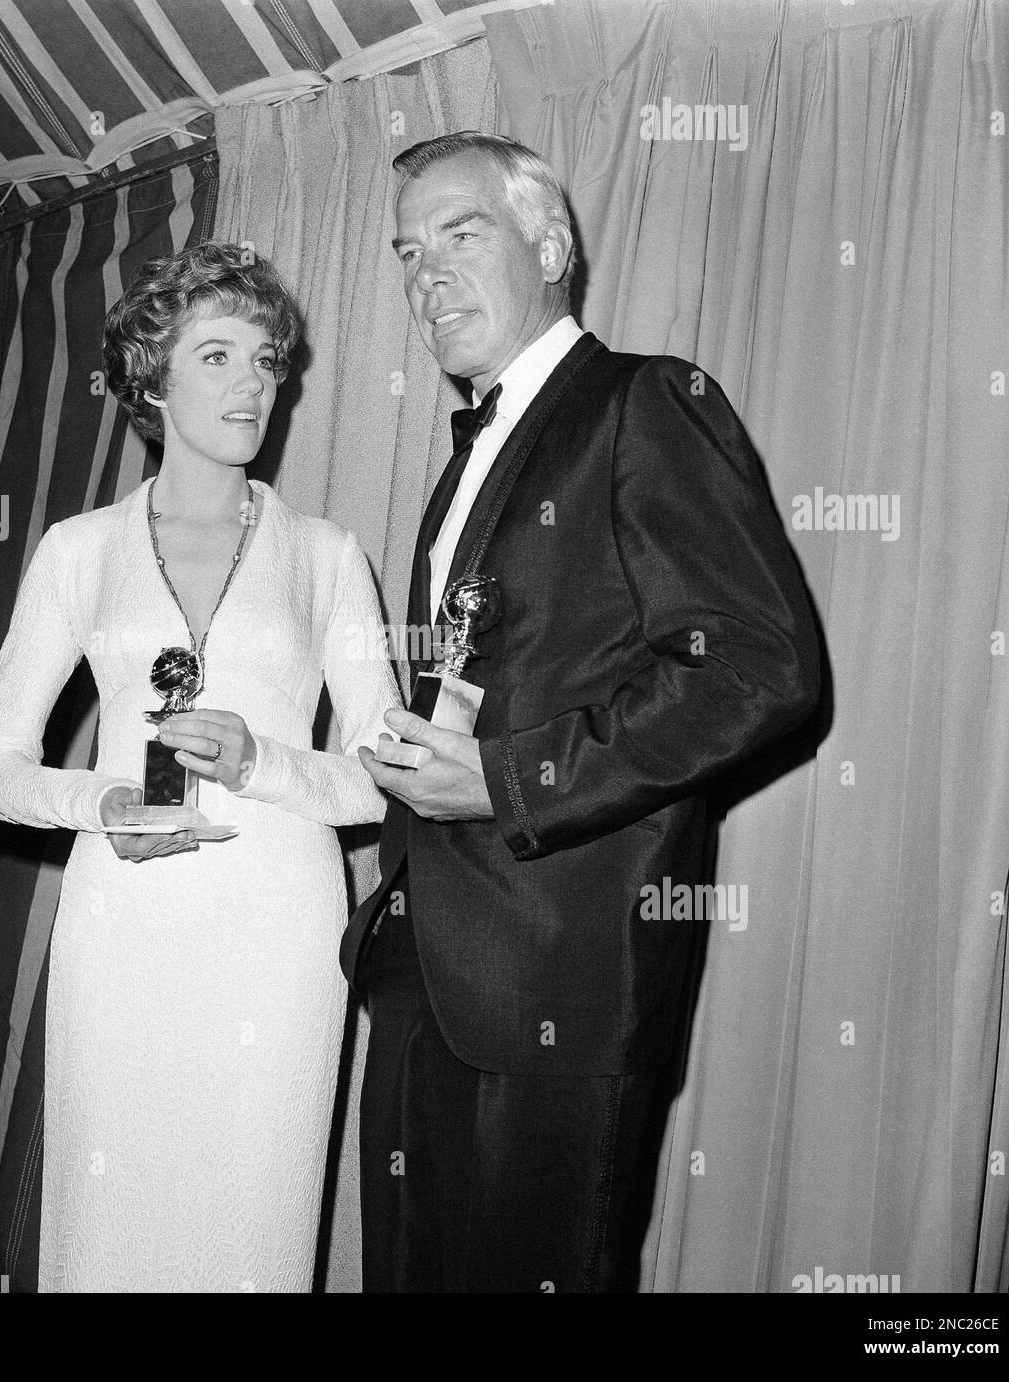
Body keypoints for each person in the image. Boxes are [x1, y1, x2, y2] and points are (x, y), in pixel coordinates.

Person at [341, 132, 821, 1292]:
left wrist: (508, 780)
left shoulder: (646, 401)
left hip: (560, 979)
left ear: (549, 244)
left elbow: (754, 666)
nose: (425, 273)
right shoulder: (466, 462)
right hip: (419, 971)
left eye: (462, 233)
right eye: (409, 251)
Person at [0, 242, 400, 1292]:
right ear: (149, 381)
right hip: (128, 917)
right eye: (218, 356)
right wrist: (99, 798)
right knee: (111, 1208)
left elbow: (373, 777)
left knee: (253, 1208)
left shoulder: (328, 555)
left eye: (265, 359)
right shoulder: (78, 549)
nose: (252, 382)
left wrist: (260, 762)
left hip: (281, 924)